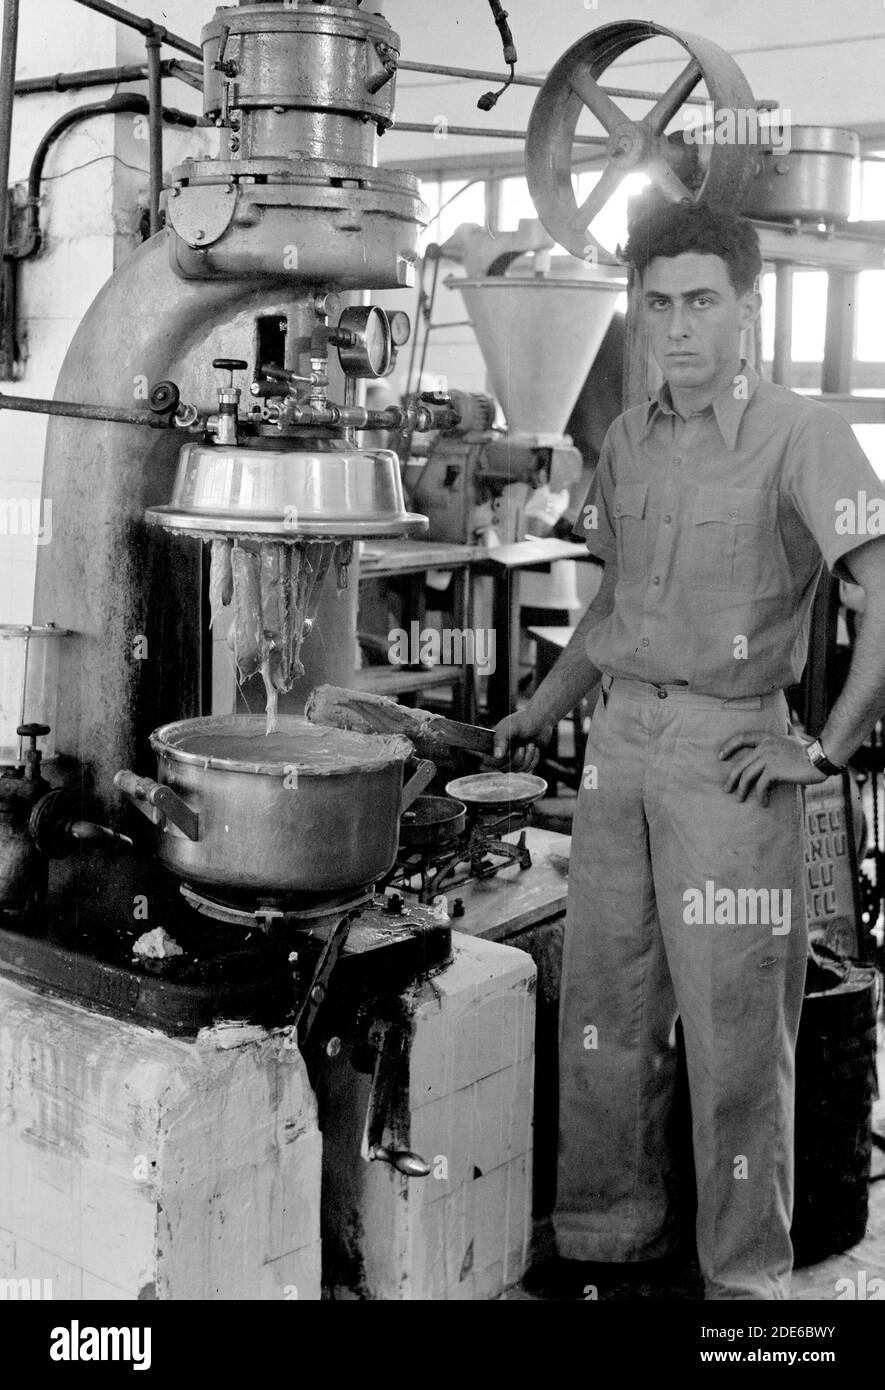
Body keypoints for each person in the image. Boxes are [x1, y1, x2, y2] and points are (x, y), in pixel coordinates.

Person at [493, 202, 885, 1301]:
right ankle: (611, 1250)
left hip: (730, 754)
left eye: (702, 301)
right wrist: (541, 705)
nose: (676, 327)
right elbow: (615, 601)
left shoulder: (808, 436)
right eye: (657, 302)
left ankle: (743, 1287)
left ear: (749, 309)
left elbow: (883, 595)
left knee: (734, 1040)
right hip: (621, 742)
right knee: (606, 1012)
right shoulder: (627, 436)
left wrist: (829, 746)